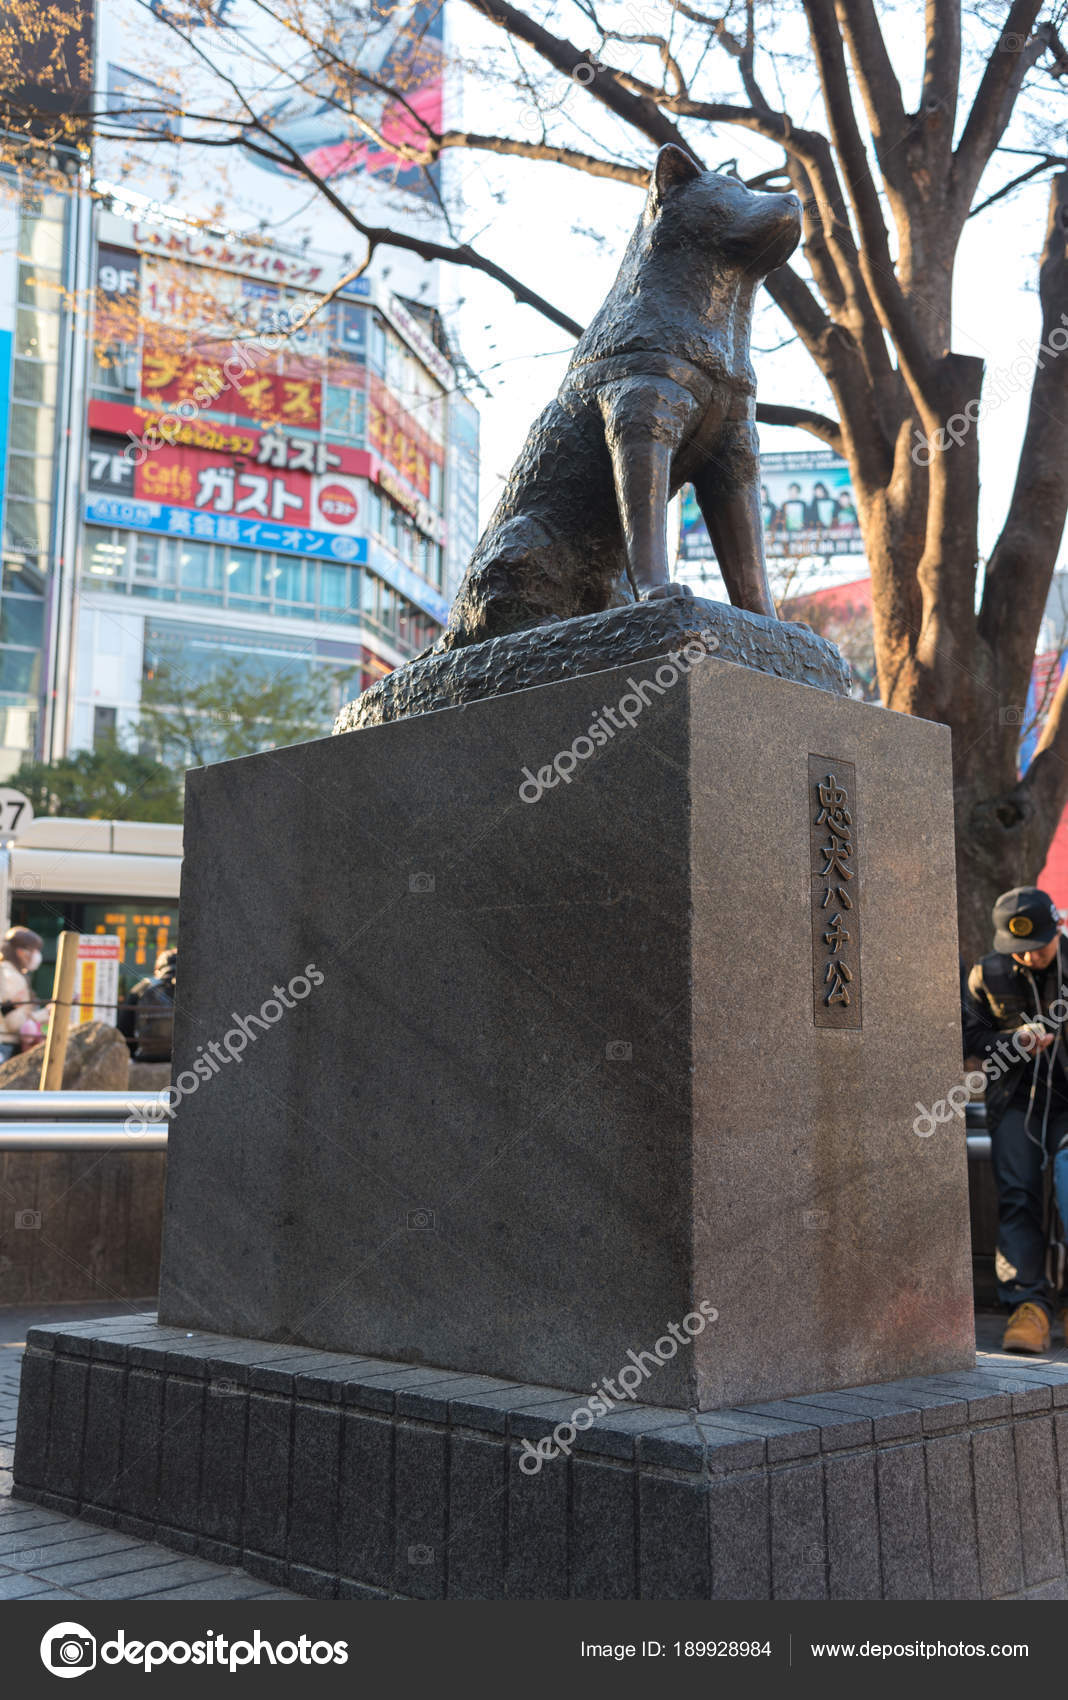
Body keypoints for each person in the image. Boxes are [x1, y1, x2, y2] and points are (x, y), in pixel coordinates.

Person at [964, 887, 1068, 1352]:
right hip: (1014, 1104)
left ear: (1056, 931)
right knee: (1017, 1197)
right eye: (1017, 947)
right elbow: (969, 1038)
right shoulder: (987, 971)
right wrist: (1014, 1041)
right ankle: (1028, 1306)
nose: (1028, 955)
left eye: (1038, 945)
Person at [118, 947, 176, 1063]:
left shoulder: (141, 989)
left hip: (145, 1057)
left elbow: (123, 1029)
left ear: (156, 970)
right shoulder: (193, 991)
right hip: (179, 1058)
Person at [0, 927, 43, 1064]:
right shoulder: (12, 977)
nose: (37, 955)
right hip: (6, 1045)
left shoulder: (7, 972)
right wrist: (45, 1015)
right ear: (20, 952)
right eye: (34, 950)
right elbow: (14, 1022)